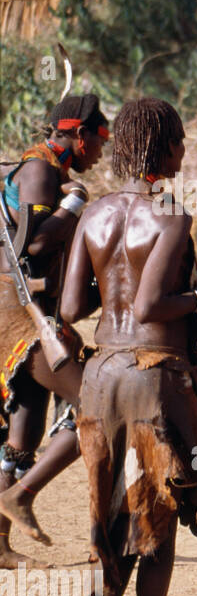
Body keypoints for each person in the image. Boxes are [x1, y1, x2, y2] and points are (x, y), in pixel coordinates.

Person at [60, 97, 197, 596]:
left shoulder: (93, 213)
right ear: (163, 148)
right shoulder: (171, 215)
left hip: (101, 374)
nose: (187, 151)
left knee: (107, 512)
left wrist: (110, 288)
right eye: (181, 142)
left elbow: (70, 307)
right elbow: (150, 307)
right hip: (153, 376)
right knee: (156, 515)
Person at [0, 95, 109, 563]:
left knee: (22, 436)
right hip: (23, 316)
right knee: (100, 411)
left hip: (29, 312)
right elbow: (35, 245)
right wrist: (75, 203)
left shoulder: (48, 171)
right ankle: (22, 495)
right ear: (79, 135)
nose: (102, 150)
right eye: (100, 139)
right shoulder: (41, 171)